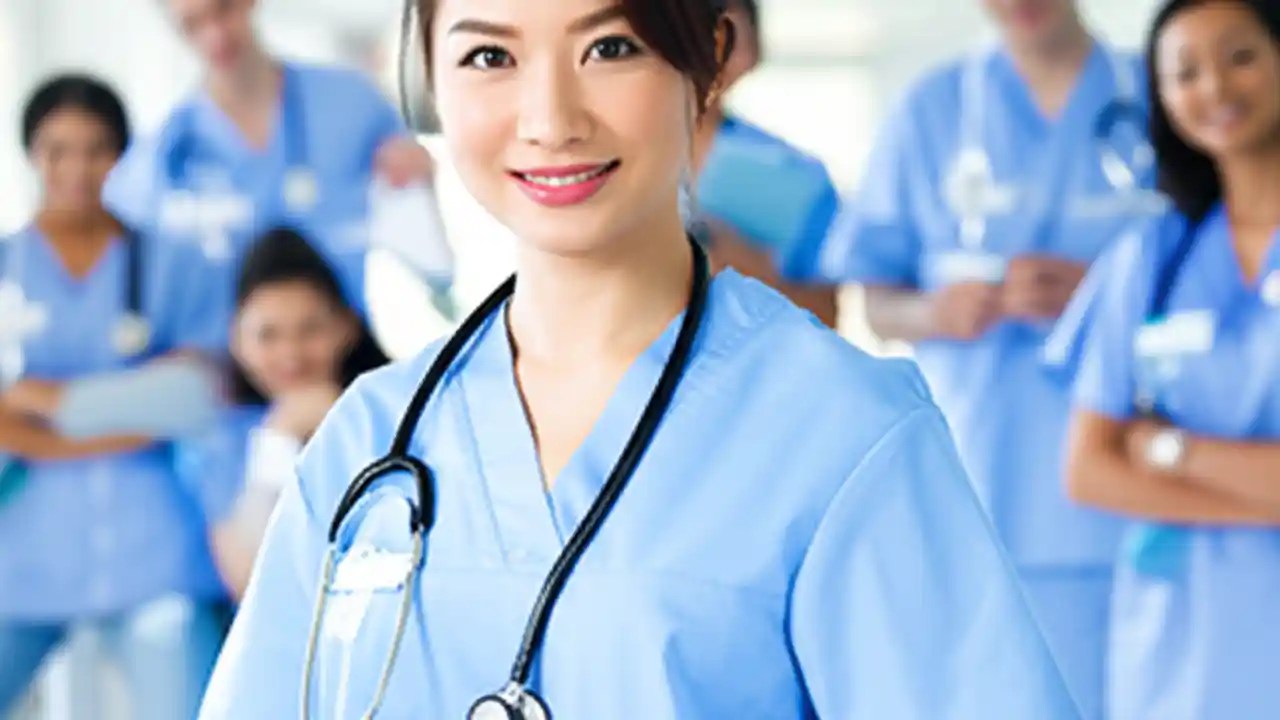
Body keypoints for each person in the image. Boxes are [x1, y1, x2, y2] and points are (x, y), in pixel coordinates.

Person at [197, 1, 1081, 718]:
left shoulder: (844, 431)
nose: (549, 119)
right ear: (429, 75)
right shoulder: (372, 436)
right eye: (488, 58)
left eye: (610, 45)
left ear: (710, 67)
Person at [818, 1, 1159, 715]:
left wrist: (1104, 296)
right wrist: (938, 312)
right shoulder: (935, 110)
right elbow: (877, 302)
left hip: (1142, 485)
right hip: (981, 473)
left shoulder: (1160, 93)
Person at [1066, 1, 1280, 717]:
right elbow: (1088, 469)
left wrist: (1168, 447)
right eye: (1184, 72)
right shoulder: (1149, 259)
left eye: (1240, 57)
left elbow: (1125, 451)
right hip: (1180, 643)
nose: (1214, 88)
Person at [0, 75, 227, 719]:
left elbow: (189, 401)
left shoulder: (172, 264)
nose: (77, 168)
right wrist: (129, 399)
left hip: (151, 550)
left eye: (96, 148)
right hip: (22, 555)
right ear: (31, 154)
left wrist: (39, 398)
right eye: (56, 150)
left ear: (121, 155)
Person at [104, 0, 436, 347]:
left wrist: (431, 176)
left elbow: (429, 238)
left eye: (223, 10)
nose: (216, 36)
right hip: (233, 381)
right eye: (193, 24)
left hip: (364, 358)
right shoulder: (163, 155)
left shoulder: (353, 104)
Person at [179, 228, 388, 601]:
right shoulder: (222, 440)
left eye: (310, 330)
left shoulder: (389, 413)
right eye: (268, 335)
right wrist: (280, 437)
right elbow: (247, 579)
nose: (291, 354)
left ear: (347, 327)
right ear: (237, 340)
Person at [692, 0, 841, 326]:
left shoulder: (797, 182)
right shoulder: (593, 160)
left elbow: (826, 321)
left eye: (726, 27)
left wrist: (741, 261)